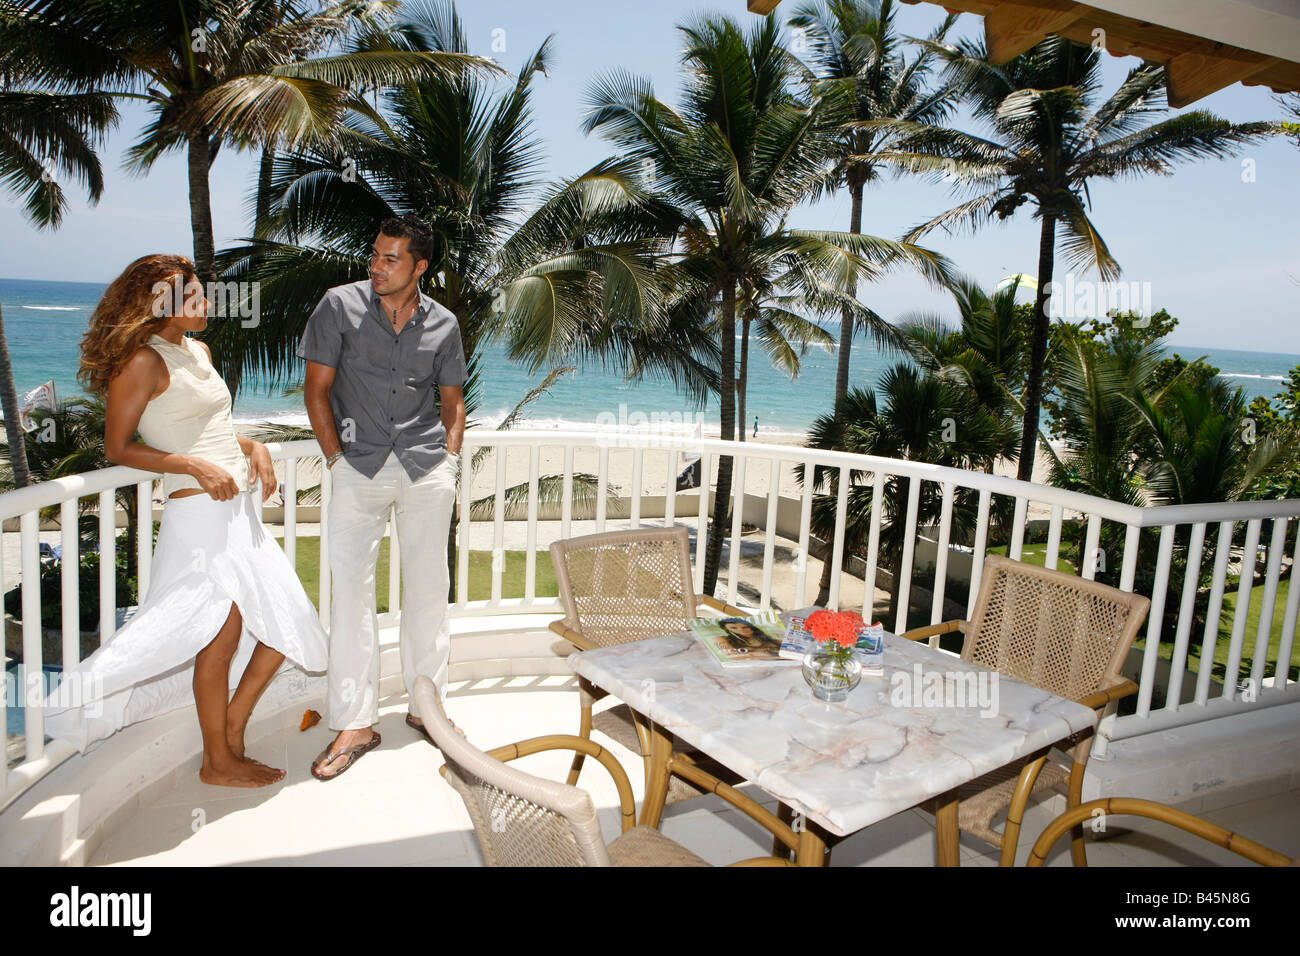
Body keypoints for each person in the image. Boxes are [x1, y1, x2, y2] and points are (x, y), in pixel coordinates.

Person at [44, 254, 329, 787]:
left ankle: (231, 731)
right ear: (162, 305)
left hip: (237, 509)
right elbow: (118, 447)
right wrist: (191, 466)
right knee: (217, 637)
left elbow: (210, 427)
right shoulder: (143, 362)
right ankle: (218, 759)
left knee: (286, 620)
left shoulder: (196, 350)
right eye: (195, 296)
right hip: (197, 515)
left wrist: (255, 446)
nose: (206, 304)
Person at [298, 214, 466, 780]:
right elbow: (316, 391)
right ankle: (354, 720)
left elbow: (452, 400)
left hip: (425, 469)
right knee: (350, 594)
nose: (377, 266)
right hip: (357, 466)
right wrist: (334, 457)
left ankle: (427, 708)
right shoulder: (338, 306)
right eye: (375, 255)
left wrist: (452, 458)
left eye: (391, 259)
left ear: (420, 267)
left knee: (429, 590)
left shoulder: (443, 323)